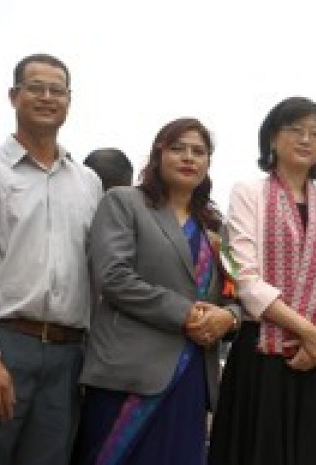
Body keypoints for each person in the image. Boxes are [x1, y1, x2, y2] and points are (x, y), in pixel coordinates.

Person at [0, 54, 103, 464]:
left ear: (69, 102)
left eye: (58, 90)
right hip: (4, 345)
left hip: (69, 354)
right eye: (36, 87)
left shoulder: (88, 183)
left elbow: (95, 271)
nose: (47, 97)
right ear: (14, 96)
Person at [72, 118, 239, 464]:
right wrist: (185, 313)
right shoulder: (124, 203)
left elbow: (234, 294)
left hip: (190, 375)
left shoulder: (214, 226)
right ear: (158, 154)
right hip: (129, 373)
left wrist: (229, 318)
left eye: (199, 151)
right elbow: (114, 276)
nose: (188, 157)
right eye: (178, 148)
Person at [208, 97, 316, 465]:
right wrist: (310, 332)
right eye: (295, 130)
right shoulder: (248, 193)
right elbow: (246, 278)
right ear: (272, 138)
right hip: (260, 353)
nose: (306, 139)